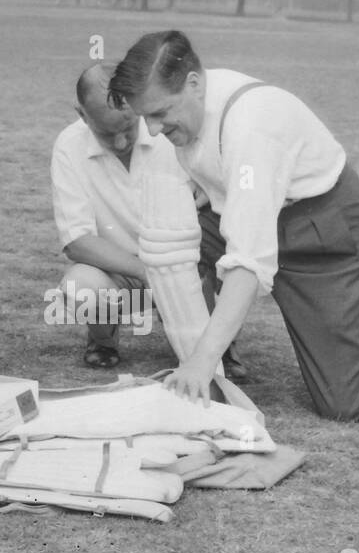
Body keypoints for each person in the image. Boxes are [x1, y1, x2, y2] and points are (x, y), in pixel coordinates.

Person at [107, 30, 359, 419]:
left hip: (322, 231)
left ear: (194, 84)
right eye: (145, 116)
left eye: (159, 114)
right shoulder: (190, 102)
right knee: (166, 240)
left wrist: (200, 362)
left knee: (346, 401)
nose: (151, 130)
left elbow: (249, 262)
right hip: (245, 213)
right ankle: (217, 353)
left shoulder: (251, 129)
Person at [51, 62, 245, 377]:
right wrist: (150, 272)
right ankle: (103, 339)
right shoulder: (68, 146)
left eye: (127, 127)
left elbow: (227, 182)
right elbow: (78, 242)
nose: (120, 143)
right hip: (123, 271)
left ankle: (218, 347)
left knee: (221, 260)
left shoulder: (170, 128)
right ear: (82, 114)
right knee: (80, 286)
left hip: (185, 263)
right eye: (105, 132)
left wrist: (213, 190)